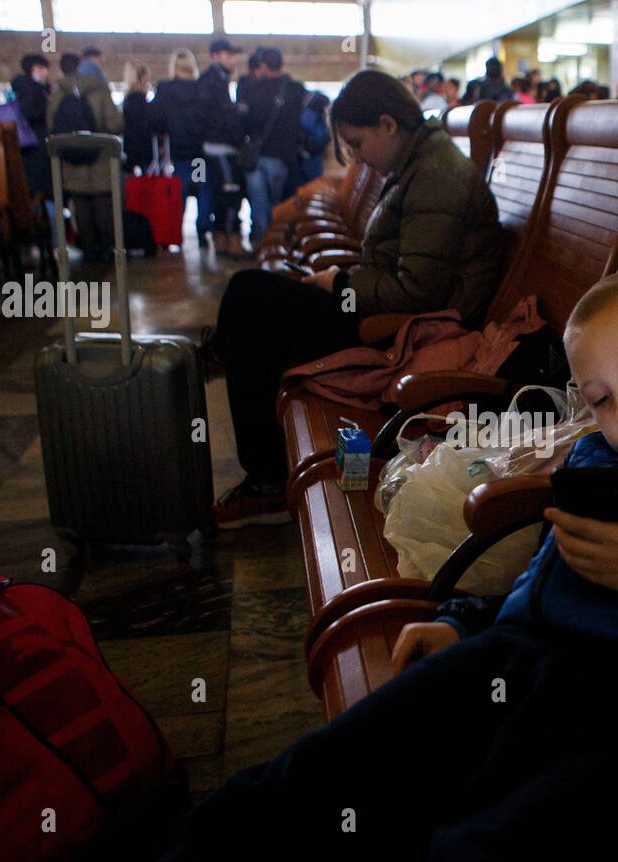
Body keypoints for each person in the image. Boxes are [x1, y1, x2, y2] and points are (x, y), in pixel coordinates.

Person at [169, 271, 618, 862]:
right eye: (599, 399)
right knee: (316, 776)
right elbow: (547, 577)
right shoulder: (607, 455)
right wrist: (464, 621)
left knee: (476, 849)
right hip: (523, 655)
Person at [201, 69, 505, 528]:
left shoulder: (437, 176)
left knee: (252, 305)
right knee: (253, 300)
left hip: (405, 328)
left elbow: (419, 288)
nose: (356, 159)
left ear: (388, 124)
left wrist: (340, 285)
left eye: (357, 144)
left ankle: (231, 385)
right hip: (383, 307)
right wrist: (340, 278)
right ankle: (227, 361)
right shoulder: (420, 163)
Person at [47, 52, 124, 262]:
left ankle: (89, 252)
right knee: (103, 206)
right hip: (100, 159)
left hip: (71, 162)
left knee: (81, 208)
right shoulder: (99, 90)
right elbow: (115, 124)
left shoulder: (58, 93)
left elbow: (51, 127)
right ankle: (108, 251)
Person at [239, 47, 305, 245]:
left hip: (254, 155)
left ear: (263, 66)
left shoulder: (252, 89)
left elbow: (245, 122)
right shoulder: (295, 89)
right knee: (277, 203)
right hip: (280, 155)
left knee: (258, 202)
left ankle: (261, 242)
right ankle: (276, 243)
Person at [151, 48, 212, 248]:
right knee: (202, 189)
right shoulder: (201, 88)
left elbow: (157, 119)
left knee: (179, 193)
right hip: (199, 151)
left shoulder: (165, 89)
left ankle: (174, 233)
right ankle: (202, 230)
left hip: (177, 151)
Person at [198, 37, 248, 258]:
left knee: (222, 195)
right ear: (215, 56)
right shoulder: (212, 83)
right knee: (230, 194)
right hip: (221, 148)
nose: (232, 60)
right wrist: (237, 115)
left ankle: (222, 238)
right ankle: (231, 240)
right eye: (228, 56)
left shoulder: (216, 81)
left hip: (217, 148)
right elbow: (215, 118)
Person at [11, 53, 52, 198]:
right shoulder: (33, 89)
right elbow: (30, 112)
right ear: (34, 69)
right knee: (42, 186)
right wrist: (47, 103)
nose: (46, 72)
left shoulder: (24, 87)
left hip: (29, 144)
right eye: (43, 68)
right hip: (36, 143)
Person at [122, 61, 154, 172]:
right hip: (142, 147)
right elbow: (144, 123)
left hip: (130, 146)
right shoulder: (139, 98)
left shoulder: (128, 98)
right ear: (142, 77)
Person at [295, 90, 330, 188]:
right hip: (314, 153)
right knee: (314, 184)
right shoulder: (318, 113)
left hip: (307, 153)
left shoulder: (307, 113)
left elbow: (304, 125)